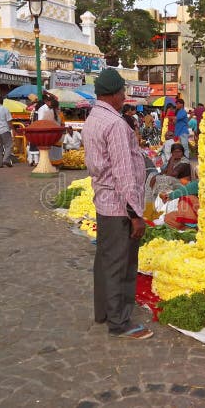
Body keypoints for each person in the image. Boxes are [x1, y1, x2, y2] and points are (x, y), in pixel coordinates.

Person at [83, 68, 151, 339]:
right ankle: (120, 322)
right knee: (120, 266)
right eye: (122, 91)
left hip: (104, 202)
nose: (125, 96)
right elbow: (124, 173)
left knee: (105, 261)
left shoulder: (94, 118)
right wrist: (135, 214)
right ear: (112, 93)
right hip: (119, 207)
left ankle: (104, 312)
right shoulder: (116, 124)